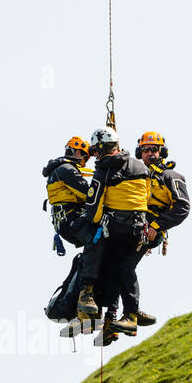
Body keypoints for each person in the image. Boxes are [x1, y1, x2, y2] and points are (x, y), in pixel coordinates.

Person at [101, 131, 191, 332]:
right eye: (145, 150)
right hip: (132, 225)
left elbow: (183, 207)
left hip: (148, 229)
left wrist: (156, 226)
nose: (150, 153)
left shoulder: (170, 176)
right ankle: (112, 318)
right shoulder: (137, 173)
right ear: (139, 152)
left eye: (154, 150)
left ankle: (131, 316)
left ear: (162, 152)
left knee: (125, 266)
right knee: (114, 265)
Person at [76, 127, 150, 335]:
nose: (96, 156)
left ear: (101, 148)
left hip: (118, 228)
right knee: (125, 269)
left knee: (97, 246)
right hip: (139, 230)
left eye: (96, 151)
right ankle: (128, 315)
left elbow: (93, 207)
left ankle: (89, 298)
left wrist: (95, 222)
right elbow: (147, 197)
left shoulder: (105, 169)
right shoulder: (140, 166)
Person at [42, 136, 94, 253]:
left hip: (66, 223)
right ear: (77, 153)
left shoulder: (59, 169)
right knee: (100, 241)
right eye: (85, 159)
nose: (84, 164)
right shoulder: (67, 170)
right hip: (72, 220)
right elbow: (88, 195)